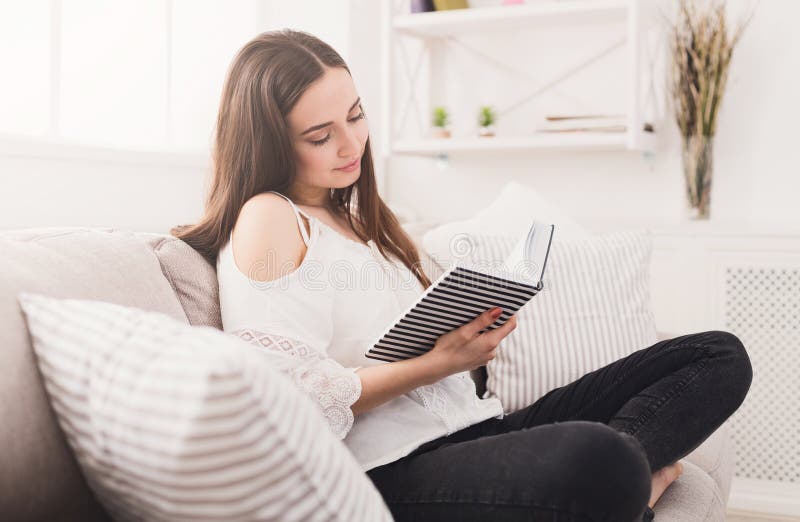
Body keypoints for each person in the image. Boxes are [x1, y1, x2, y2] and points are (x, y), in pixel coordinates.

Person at [171, 29, 753, 522]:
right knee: (601, 458)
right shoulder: (270, 218)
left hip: (479, 428)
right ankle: (630, 483)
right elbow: (291, 399)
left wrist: (470, 343)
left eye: (355, 116)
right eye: (321, 136)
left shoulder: (356, 219)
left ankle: (620, 487)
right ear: (270, 140)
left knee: (716, 356)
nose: (351, 145)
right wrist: (437, 363)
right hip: (392, 470)